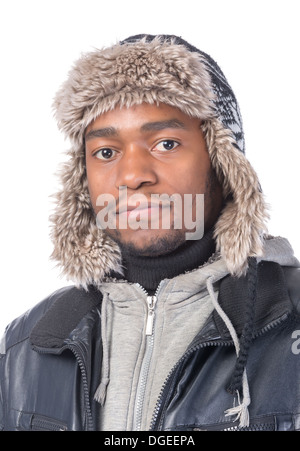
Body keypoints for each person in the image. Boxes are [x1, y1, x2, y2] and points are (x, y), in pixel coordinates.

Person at [0, 34, 299, 432]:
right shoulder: (26, 346)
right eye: (106, 152)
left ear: (224, 162)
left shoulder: (288, 323)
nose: (132, 176)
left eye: (166, 143)